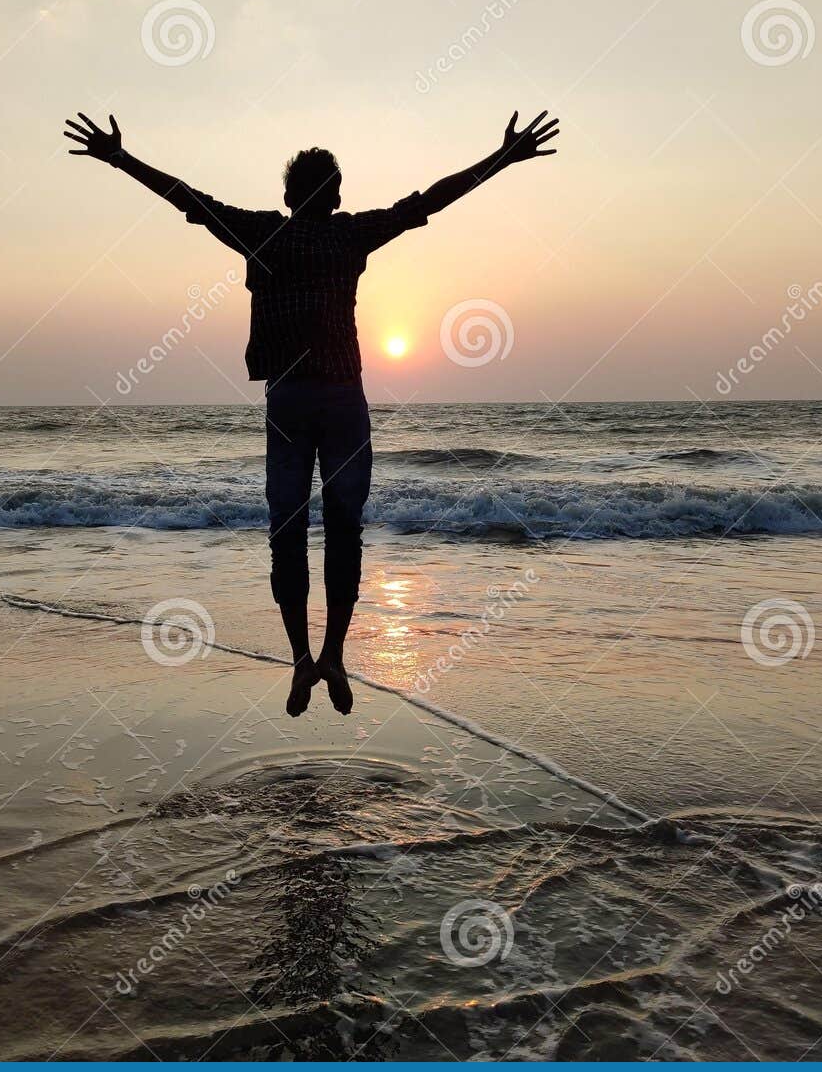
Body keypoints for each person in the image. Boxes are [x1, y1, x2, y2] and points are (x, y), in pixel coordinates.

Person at [65, 110, 559, 716]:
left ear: (288, 195)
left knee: (288, 533)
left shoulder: (264, 232)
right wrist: (501, 160)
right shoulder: (347, 234)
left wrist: (120, 159)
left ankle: (305, 659)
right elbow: (427, 202)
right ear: (337, 196)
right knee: (342, 530)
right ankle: (331, 655)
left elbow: (186, 199)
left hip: (292, 399)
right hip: (341, 399)